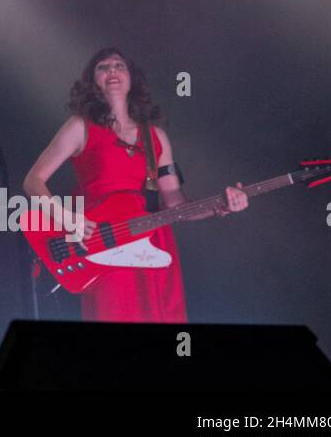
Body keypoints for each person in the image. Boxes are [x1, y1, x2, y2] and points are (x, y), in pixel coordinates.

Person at [22, 47, 247, 322]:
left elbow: (176, 204)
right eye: (102, 67)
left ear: (132, 79)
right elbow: (34, 181)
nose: (112, 71)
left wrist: (220, 206)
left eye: (119, 66)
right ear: (93, 82)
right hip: (104, 242)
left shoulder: (156, 137)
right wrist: (66, 218)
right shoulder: (80, 127)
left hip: (152, 242)